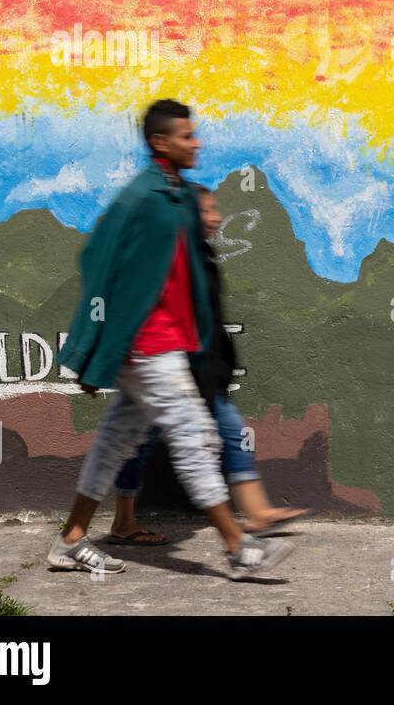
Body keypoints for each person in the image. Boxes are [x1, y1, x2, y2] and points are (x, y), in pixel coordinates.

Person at [47, 99, 294, 580]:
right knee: (195, 439)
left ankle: (71, 540)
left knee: (115, 442)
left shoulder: (176, 196)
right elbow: (97, 258)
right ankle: (239, 547)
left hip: (168, 344)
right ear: (161, 141)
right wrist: (92, 349)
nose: (195, 142)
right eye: (186, 135)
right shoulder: (141, 197)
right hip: (148, 346)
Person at [107, 184, 308, 546]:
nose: (216, 218)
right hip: (171, 372)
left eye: (216, 210)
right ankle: (122, 520)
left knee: (231, 434)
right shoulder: (170, 261)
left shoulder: (202, 258)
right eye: (207, 211)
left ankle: (257, 512)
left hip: (205, 372)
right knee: (139, 443)